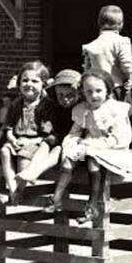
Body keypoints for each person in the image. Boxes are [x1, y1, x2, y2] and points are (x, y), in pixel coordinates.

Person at [48, 70, 132, 225]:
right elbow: (75, 132)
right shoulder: (83, 109)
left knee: (92, 160)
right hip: (90, 145)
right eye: (89, 91)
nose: (94, 95)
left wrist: (95, 145)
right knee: (68, 159)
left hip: (112, 149)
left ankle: (92, 206)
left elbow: (121, 138)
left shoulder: (115, 110)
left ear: (107, 90)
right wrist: (72, 143)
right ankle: (55, 199)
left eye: (98, 91)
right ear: (83, 92)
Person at [13, 68, 81, 197]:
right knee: (46, 144)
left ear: (79, 94)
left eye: (70, 95)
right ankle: (30, 171)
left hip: (75, 147)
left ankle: (35, 171)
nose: (65, 99)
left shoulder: (82, 109)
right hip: (59, 140)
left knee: (57, 150)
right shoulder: (56, 107)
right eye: (60, 95)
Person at [0, 61, 54, 201]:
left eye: (35, 81)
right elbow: (9, 127)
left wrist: (28, 142)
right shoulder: (16, 104)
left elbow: (46, 135)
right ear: (19, 83)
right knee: (4, 152)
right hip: (17, 141)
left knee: (23, 160)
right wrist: (11, 138)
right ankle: (12, 188)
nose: (29, 84)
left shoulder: (45, 105)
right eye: (25, 80)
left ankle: (18, 192)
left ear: (43, 84)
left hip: (35, 143)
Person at [82, 4, 132, 107]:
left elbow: (87, 70)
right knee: (121, 119)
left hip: (98, 90)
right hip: (118, 89)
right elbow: (127, 66)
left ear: (99, 24)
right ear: (121, 25)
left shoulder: (90, 46)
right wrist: (128, 81)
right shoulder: (122, 42)